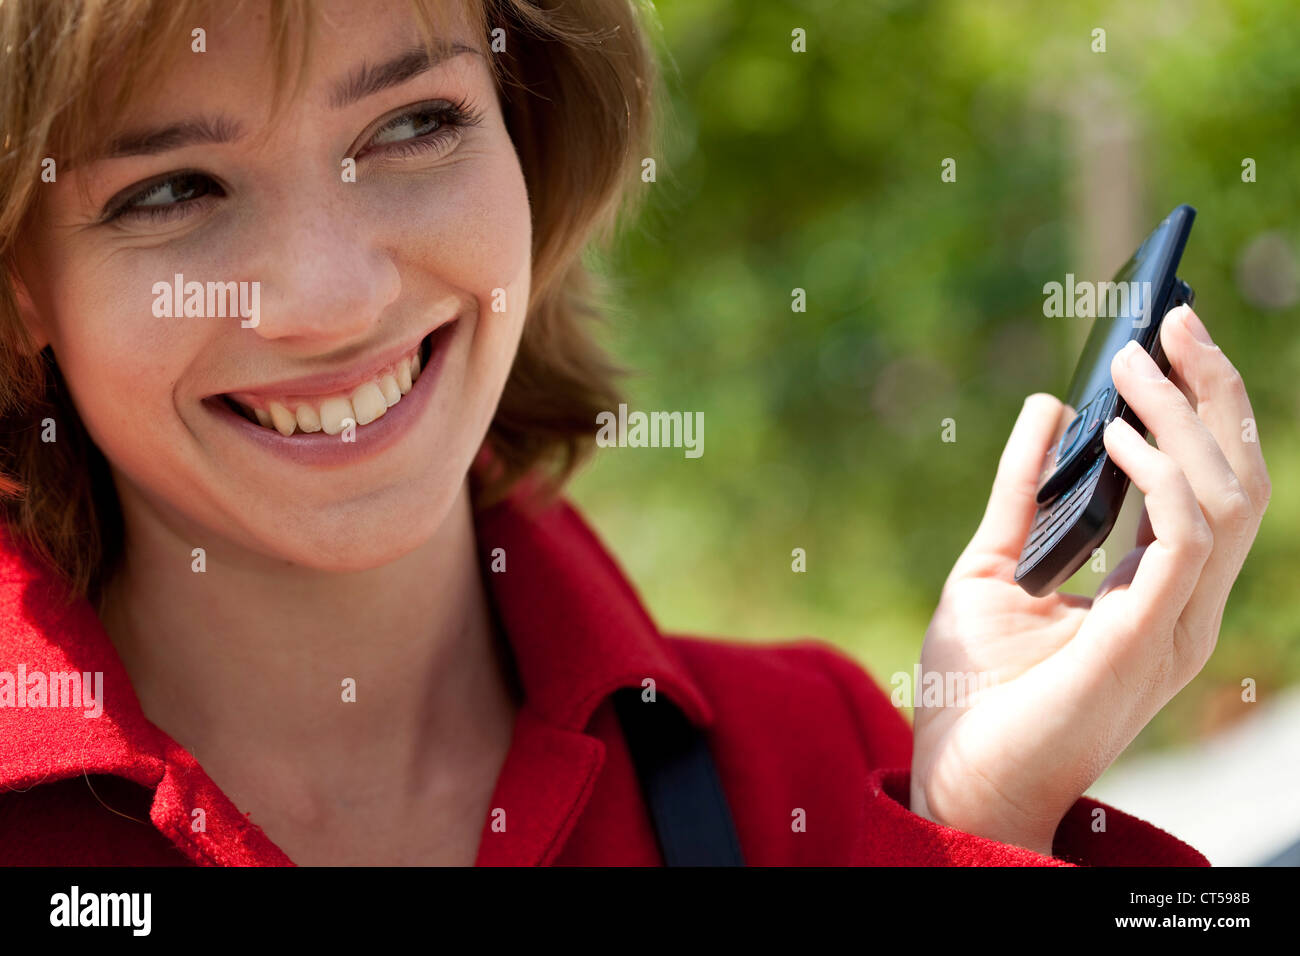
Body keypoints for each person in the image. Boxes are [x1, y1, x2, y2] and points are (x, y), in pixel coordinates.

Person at [0, 0, 1269, 866]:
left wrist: (980, 822)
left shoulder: (830, 769)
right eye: (171, 191)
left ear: (529, 136)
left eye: (410, 124)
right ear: (21, 279)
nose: (336, 298)